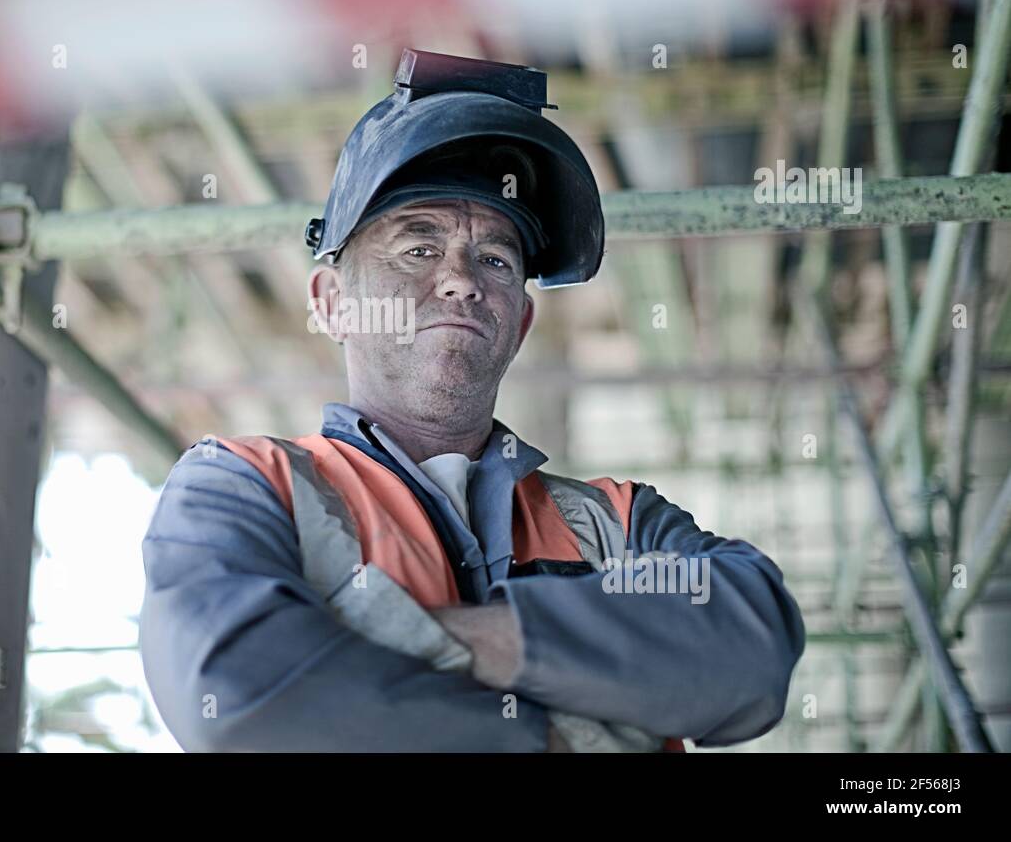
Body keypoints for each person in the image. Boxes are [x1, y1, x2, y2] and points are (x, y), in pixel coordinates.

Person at [138, 48, 805, 751]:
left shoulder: (617, 519)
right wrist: (561, 728)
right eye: (418, 249)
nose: (460, 280)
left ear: (518, 322)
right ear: (333, 302)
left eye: (494, 259)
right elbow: (240, 697)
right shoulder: (243, 486)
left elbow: (751, 646)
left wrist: (417, 636)